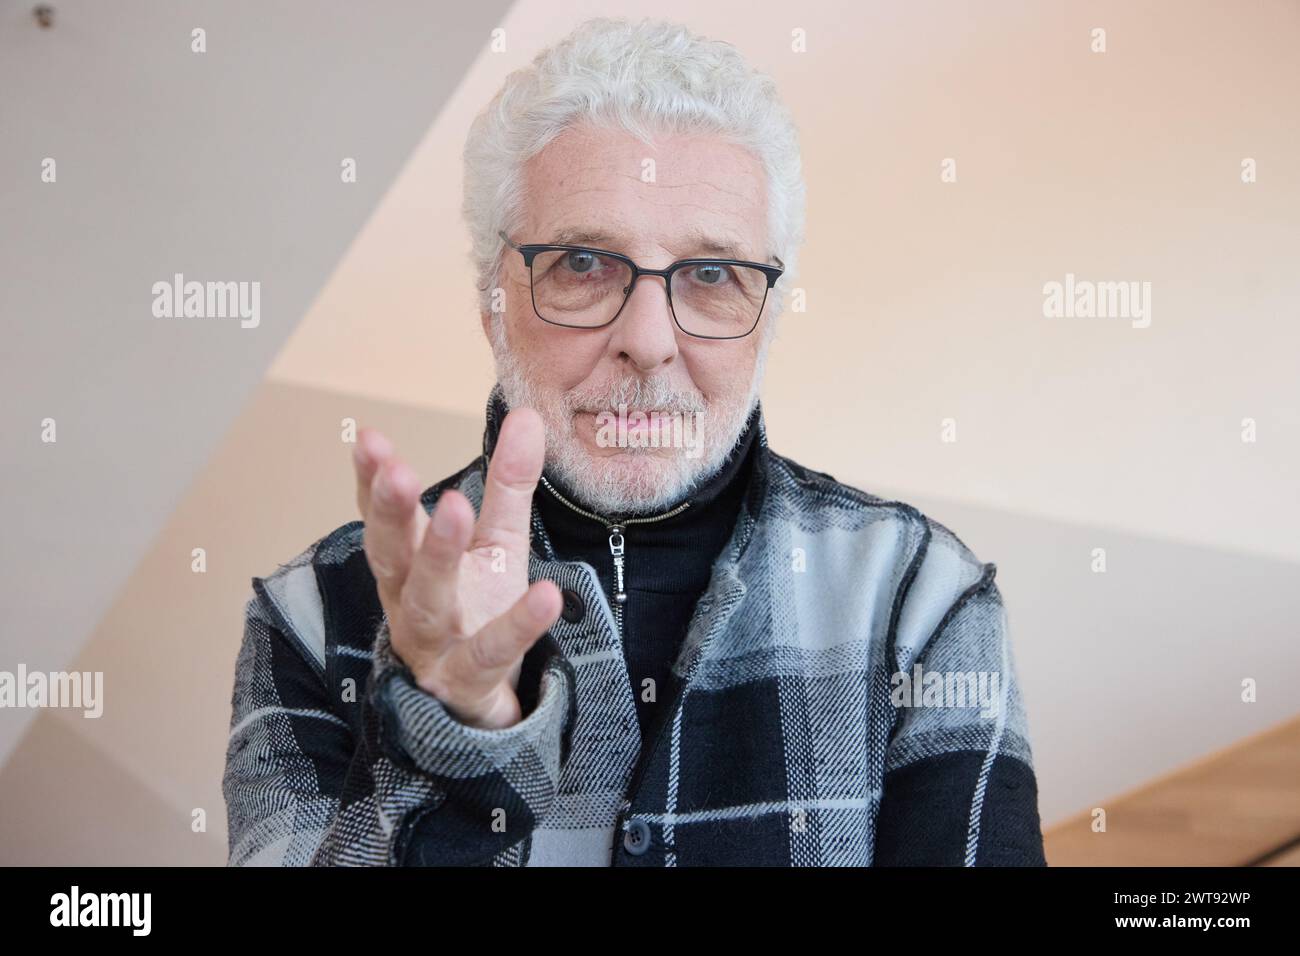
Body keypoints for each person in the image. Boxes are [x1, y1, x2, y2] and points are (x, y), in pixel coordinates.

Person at [222, 15, 1047, 866]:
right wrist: (452, 745)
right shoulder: (313, 616)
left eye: (714, 275)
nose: (649, 340)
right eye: (582, 264)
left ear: (767, 320)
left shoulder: (920, 601)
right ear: (491, 303)